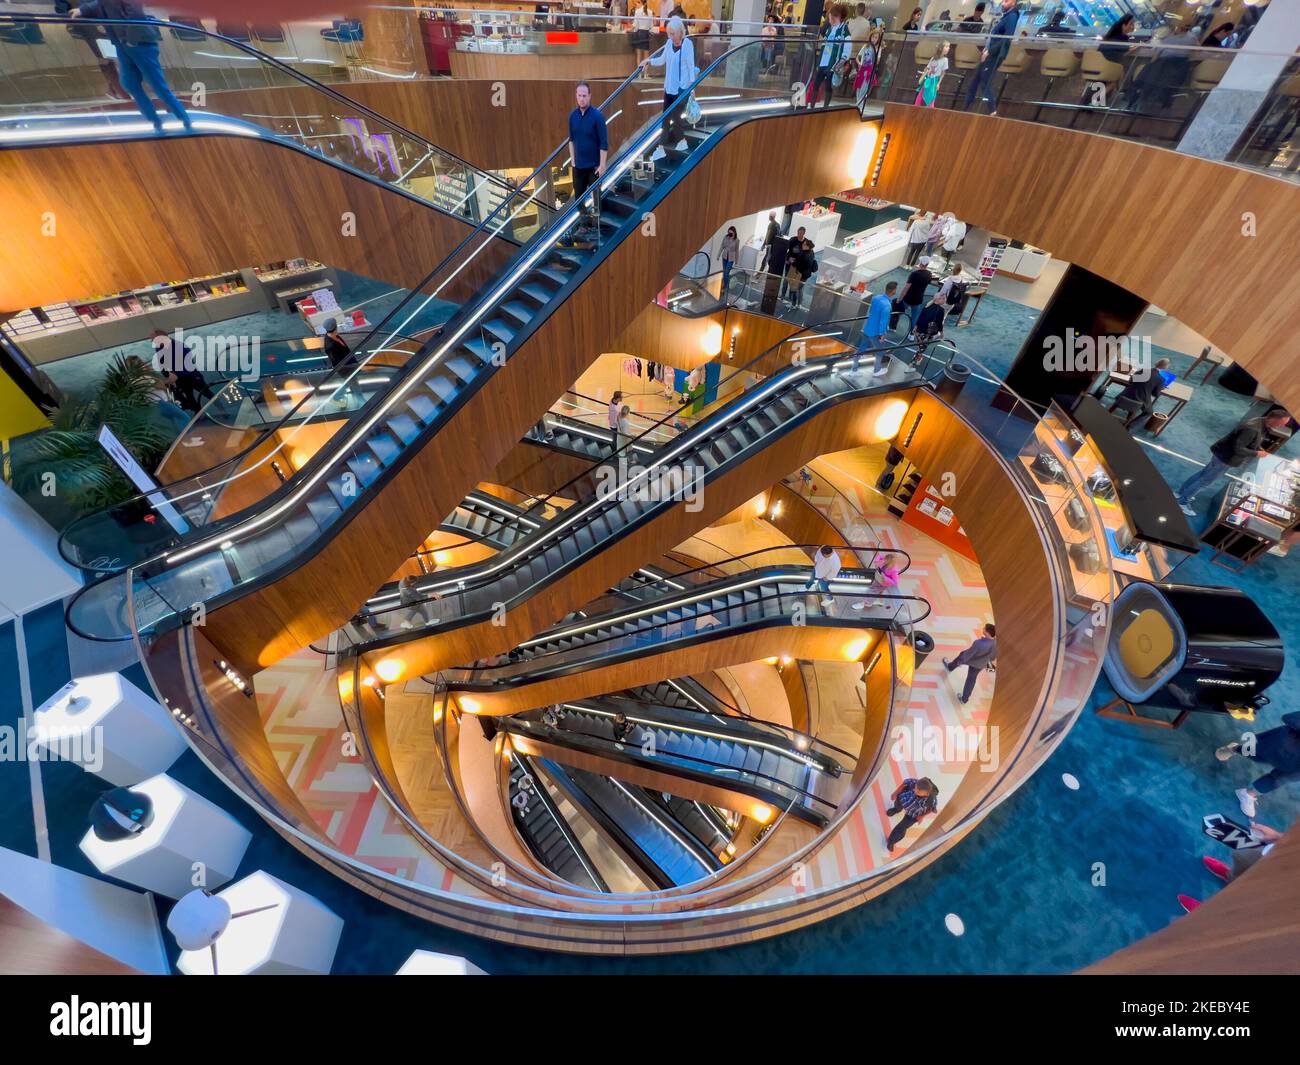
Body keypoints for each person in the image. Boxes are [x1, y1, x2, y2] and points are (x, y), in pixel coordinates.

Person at [73, 1, 192, 133]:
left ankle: (185, 120)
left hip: (139, 44)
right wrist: (82, 10)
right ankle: (155, 121)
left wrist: (131, 41)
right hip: (121, 44)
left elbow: (136, 13)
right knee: (129, 84)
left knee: (157, 85)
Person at [1176, 408, 1291, 516]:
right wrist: (1256, 453)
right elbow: (1238, 448)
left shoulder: (1262, 423)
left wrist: (1258, 448)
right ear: (1273, 419)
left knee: (1203, 474)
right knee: (1205, 481)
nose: (1282, 426)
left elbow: (1250, 441)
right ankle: (1182, 502)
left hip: (1222, 453)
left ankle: (1181, 493)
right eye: (1282, 423)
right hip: (1225, 457)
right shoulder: (1252, 429)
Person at [1216, 710, 1300, 818]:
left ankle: (1249, 794)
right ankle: (1235, 748)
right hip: (1281, 744)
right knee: (1254, 753)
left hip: (1295, 766)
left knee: (1279, 779)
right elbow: (1288, 718)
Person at [641, 16, 697, 161]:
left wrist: (692, 87)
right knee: (667, 118)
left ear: (680, 32)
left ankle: (664, 146)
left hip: (682, 88)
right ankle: (677, 142)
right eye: (669, 34)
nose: (670, 37)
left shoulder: (687, 45)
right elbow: (661, 60)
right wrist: (649, 61)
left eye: (673, 34)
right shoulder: (668, 43)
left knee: (675, 117)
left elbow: (691, 67)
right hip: (669, 88)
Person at [964, 0, 1020, 115]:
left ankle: (992, 110)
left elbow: (1005, 38)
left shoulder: (1012, 16)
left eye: (1006, 1)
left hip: (995, 55)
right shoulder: (1007, 16)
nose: (1003, 4)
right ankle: (965, 109)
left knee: (984, 81)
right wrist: (987, 49)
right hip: (991, 53)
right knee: (976, 81)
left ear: (1013, 2)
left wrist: (989, 51)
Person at [568, 81, 608, 237]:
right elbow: (571, 139)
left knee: (597, 198)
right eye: (579, 95)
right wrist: (572, 160)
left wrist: (603, 164)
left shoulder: (597, 116)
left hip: (594, 167)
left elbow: (604, 143)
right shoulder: (572, 116)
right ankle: (584, 225)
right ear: (576, 96)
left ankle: (597, 226)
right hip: (578, 167)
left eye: (585, 95)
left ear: (590, 96)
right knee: (578, 198)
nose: (582, 98)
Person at [807, 4, 851, 109]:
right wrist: (819, 60)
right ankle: (811, 106)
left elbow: (848, 46)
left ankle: (825, 107)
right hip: (824, 60)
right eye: (830, 16)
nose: (830, 19)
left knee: (828, 84)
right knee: (817, 82)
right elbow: (824, 44)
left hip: (833, 62)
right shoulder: (829, 29)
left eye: (833, 17)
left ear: (839, 17)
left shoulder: (844, 30)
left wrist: (842, 61)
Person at [943, 623, 997, 704]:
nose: (983, 628)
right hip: (981, 664)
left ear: (987, 632)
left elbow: (968, 654)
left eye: (984, 628)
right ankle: (964, 699)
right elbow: (993, 657)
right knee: (971, 680)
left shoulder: (979, 643)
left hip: (972, 660)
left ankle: (950, 667)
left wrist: (960, 662)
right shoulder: (997, 643)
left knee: (960, 657)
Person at [1113, 356, 1171, 428]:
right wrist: (1160, 388)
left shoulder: (1143, 370)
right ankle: (1129, 425)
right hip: (1139, 401)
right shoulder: (1161, 379)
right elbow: (1155, 394)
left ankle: (1128, 413)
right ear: (1165, 367)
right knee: (1149, 412)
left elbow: (1131, 381)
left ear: (1157, 363)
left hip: (1125, 395)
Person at [885, 777, 939, 851]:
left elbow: (931, 809)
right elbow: (904, 784)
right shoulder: (916, 783)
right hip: (905, 799)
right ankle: (896, 809)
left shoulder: (931, 800)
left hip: (914, 813)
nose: (915, 791)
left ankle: (891, 841)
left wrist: (922, 816)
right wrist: (895, 792)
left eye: (919, 792)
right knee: (898, 804)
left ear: (926, 794)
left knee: (902, 828)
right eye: (916, 788)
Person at [862, 280, 898, 375]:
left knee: (862, 347)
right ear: (893, 291)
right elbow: (883, 321)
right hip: (876, 332)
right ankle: (877, 370)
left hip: (868, 327)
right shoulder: (887, 305)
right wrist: (882, 334)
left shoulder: (876, 298)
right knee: (880, 350)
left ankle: (854, 369)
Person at [897, 255, 933, 334]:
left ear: (920, 263)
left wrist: (899, 298)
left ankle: (892, 326)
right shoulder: (929, 274)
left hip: (908, 298)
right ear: (927, 265)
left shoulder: (914, 274)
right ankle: (912, 334)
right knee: (915, 318)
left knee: (897, 311)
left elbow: (906, 288)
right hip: (918, 299)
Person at [853, 28, 885, 106]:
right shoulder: (866, 46)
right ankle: (858, 105)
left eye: (876, 37)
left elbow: (877, 61)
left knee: (864, 89)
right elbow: (857, 57)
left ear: (878, 39)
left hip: (869, 71)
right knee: (859, 88)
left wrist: (876, 54)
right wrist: (859, 63)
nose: (874, 39)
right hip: (862, 70)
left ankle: (859, 106)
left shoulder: (878, 48)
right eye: (873, 37)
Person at [912, 294, 947, 362]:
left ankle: (917, 358)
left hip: (920, 330)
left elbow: (920, 317)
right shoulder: (941, 310)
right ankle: (912, 363)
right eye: (943, 298)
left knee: (921, 346)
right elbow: (939, 323)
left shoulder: (927, 306)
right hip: (928, 333)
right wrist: (942, 333)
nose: (945, 300)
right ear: (938, 299)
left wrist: (915, 327)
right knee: (922, 348)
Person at [915, 40, 949, 107]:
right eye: (947, 46)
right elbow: (927, 68)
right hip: (928, 79)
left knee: (931, 96)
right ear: (941, 48)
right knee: (921, 94)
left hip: (934, 80)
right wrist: (924, 75)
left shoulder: (945, 60)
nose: (948, 48)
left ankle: (930, 108)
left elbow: (943, 73)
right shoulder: (933, 58)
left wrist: (938, 83)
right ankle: (916, 106)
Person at [719, 225, 740, 293]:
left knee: (726, 273)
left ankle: (726, 287)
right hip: (724, 257)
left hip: (731, 259)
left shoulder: (737, 240)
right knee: (724, 273)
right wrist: (718, 255)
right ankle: (725, 285)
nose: (730, 234)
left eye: (731, 233)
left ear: (734, 232)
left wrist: (736, 261)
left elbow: (737, 251)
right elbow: (722, 246)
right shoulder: (726, 237)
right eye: (729, 233)